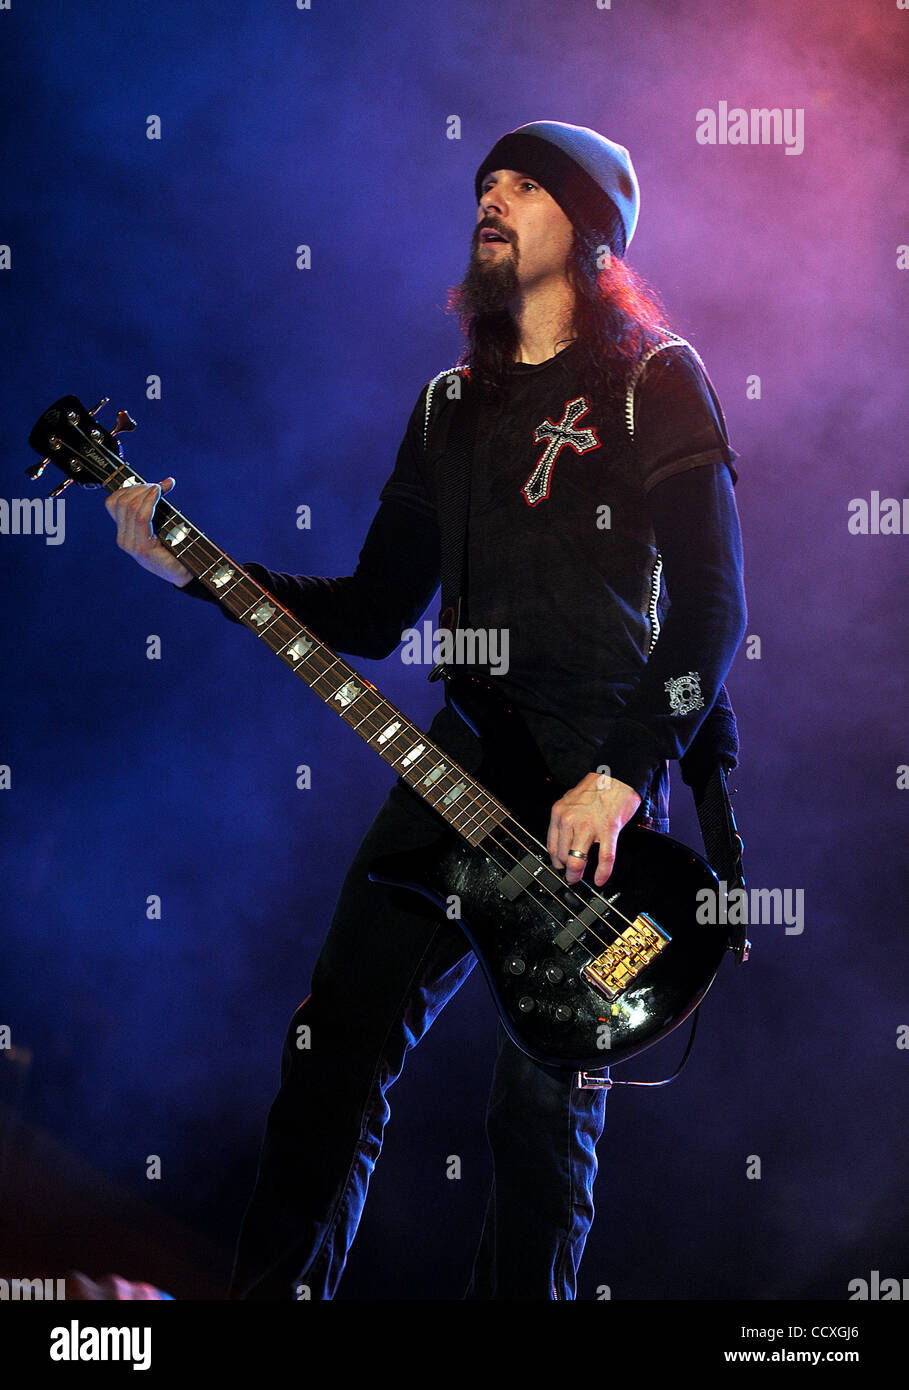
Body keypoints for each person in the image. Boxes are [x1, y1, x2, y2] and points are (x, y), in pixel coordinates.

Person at [105, 120, 747, 1300]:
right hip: (460, 752)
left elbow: (714, 610)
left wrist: (621, 770)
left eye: (523, 186)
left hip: (591, 771)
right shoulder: (450, 403)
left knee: (537, 1116)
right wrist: (192, 568)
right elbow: (368, 608)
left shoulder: (656, 378)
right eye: (483, 185)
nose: (491, 200)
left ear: (592, 229)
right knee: (331, 1046)